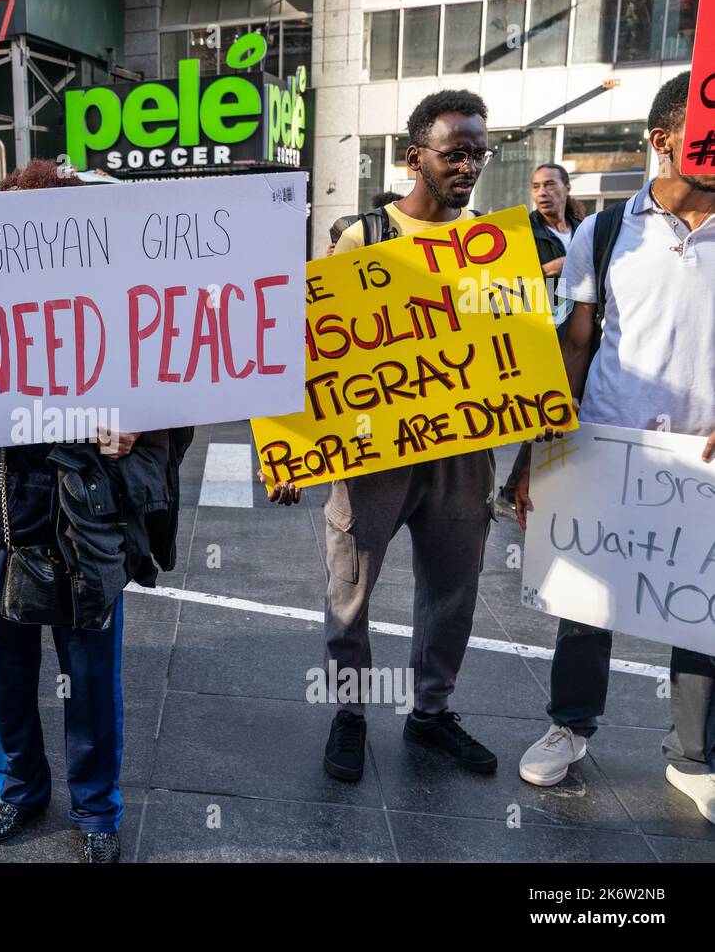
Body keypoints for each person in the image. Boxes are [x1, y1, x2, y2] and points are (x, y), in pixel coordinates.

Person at [0, 157, 192, 864]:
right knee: (8, 670)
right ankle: (20, 792)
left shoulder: (120, 310)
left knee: (91, 678)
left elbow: (176, 397)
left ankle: (98, 809)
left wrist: (139, 423)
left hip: (89, 528)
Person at [266, 89, 499, 784]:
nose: (469, 165)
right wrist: (293, 450)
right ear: (413, 158)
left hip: (460, 449)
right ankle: (350, 714)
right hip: (374, 451)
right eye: (455, 152)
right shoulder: (364, 236)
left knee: (454, 589)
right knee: (350, 588)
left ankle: (430, 713)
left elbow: (508, 346)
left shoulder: (490, 241)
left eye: (478, 152)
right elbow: (319, 351)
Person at [515, 73, 715, 824]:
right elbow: (576, 342)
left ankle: (693, 756)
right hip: (605, 443)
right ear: (665, 140)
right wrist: (543, 450)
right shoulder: (603, 231)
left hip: (701, 460)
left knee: (700, 609)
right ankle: (570, 726)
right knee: (585, 601)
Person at [496, 163, 584, 513]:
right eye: (535, 187)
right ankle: (521, 488)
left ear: (567, 188)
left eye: (549, 184)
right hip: (543, 333)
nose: (542, 193)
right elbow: (505, 286)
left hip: (580, 330)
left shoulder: (583, 229)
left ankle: (523, 486)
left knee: (561, 411)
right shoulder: (523, 231)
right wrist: (552, 268)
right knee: (545, 413)